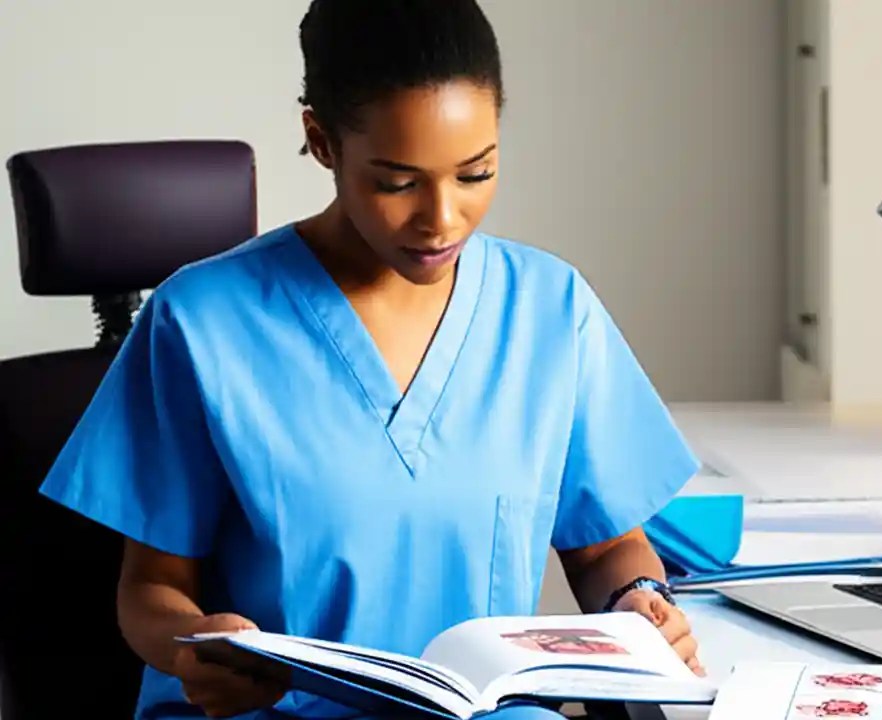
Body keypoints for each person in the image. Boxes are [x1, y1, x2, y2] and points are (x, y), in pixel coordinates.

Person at [37, 1, 704, 718]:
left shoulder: (550, 309)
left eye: (475, 173)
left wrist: (642, 601)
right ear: (322, 142)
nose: (441, 219)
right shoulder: (201, 322)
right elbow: (149, 590)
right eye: (397, 183)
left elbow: (608, 549)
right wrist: (192, 644)